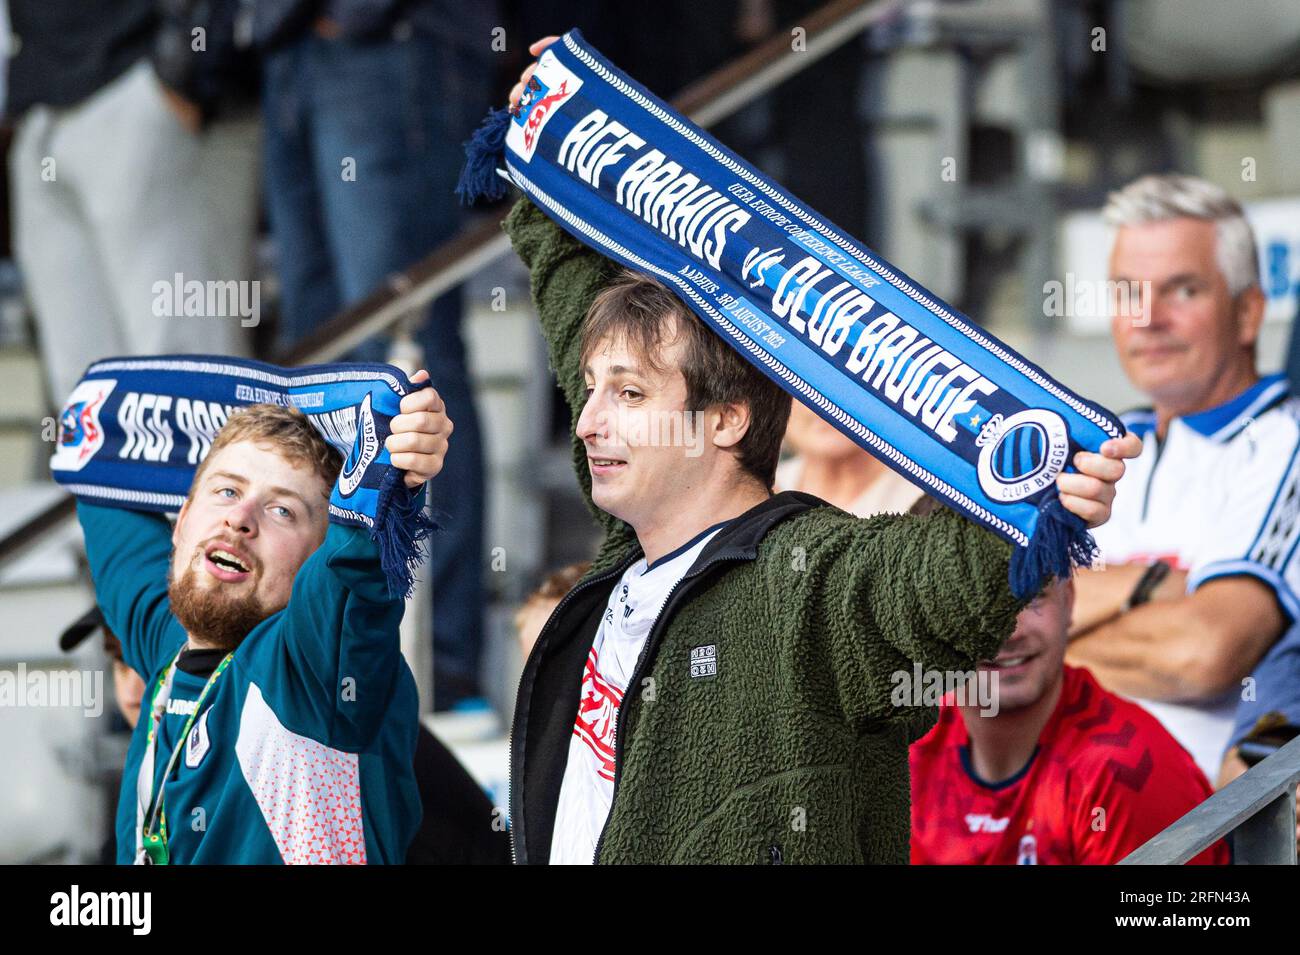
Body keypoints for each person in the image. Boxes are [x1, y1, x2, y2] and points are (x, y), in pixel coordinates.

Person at [500, 37, 1139, 865]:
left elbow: (948, 571)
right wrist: (555, 121)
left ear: (724, 420)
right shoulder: (626, 554)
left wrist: (1046, 480)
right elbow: (567, 270)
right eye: (591, 391)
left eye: (627, 394)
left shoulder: (814, 579)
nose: (587, 423)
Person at [78, 375, 451, 863]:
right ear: (183, 517)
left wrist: (398, 452)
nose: (240, 519)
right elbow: (96, 454)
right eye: (227, 492)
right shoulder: (167, 643)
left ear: (317, 556)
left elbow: (355, 561)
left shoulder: (308, 672)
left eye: (282, 510)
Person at [252, 0, 498, 709]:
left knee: (405, 361)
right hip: (290, 49)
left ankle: (442, 667)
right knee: (319, 366)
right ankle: (336, 643)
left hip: (394, 39)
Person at [1066, 174, 1300, 780]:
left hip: (1181, 839)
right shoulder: (1080, 444)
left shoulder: (1286, 442)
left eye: (1183, 290)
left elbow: (1204, 653)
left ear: (1248, 312)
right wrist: (1151, 584)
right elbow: (986, 623)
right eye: (1127, 293)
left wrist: (1041, 649)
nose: (1148, 320)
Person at [7, 0, 261, 408]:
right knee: (84, 384)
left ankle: (207, 473)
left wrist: (184, 66)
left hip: (140, 85)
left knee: (185, 366)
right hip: (40, 104)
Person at [910, 572, 1227, 865]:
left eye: (1032, 596)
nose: (1008, 630)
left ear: (1069, 600)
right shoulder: (906, 743)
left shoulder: (1122, 770)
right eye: (974, 599)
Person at [776, 400, 923, 517]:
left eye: (840, 380)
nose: (825, 400)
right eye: (806, 376)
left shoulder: (927, 501)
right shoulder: (761, 491)